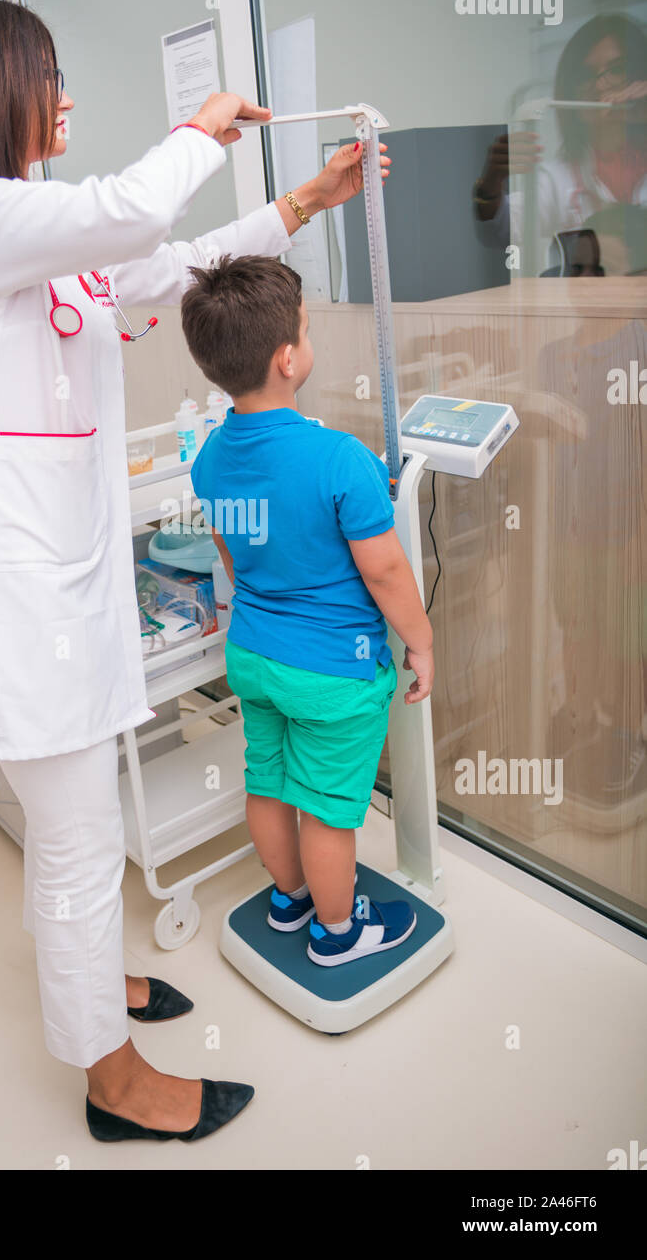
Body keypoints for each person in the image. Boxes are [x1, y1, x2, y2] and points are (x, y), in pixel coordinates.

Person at [0, 0, 382, 1144]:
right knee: (76, 842)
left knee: (75, 824)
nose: (64, 99)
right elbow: (129, 213)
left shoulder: (42, 230)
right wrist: (200, 135)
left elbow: (176, 261)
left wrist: (305, 198)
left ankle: (94, 984)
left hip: (62, 583)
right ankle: (113, 1085)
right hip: (16, 593)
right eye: (47, 78)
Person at [182, 254, 433, 958]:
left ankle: (290, 901)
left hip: (253, 655)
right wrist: (420, 641)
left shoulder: (209, 458)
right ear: (288, 358)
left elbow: (232, 554)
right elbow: (384, 571)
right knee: (326, 808)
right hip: (331, 671)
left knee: (267, 782)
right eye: (306, 328)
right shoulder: (340, 459)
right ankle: (336, 931)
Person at [473, 13, 647, 272]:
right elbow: (500, 232)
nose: (601, 87)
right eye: (587, 76)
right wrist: (490, 183)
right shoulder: (558, 179)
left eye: (617, 69)